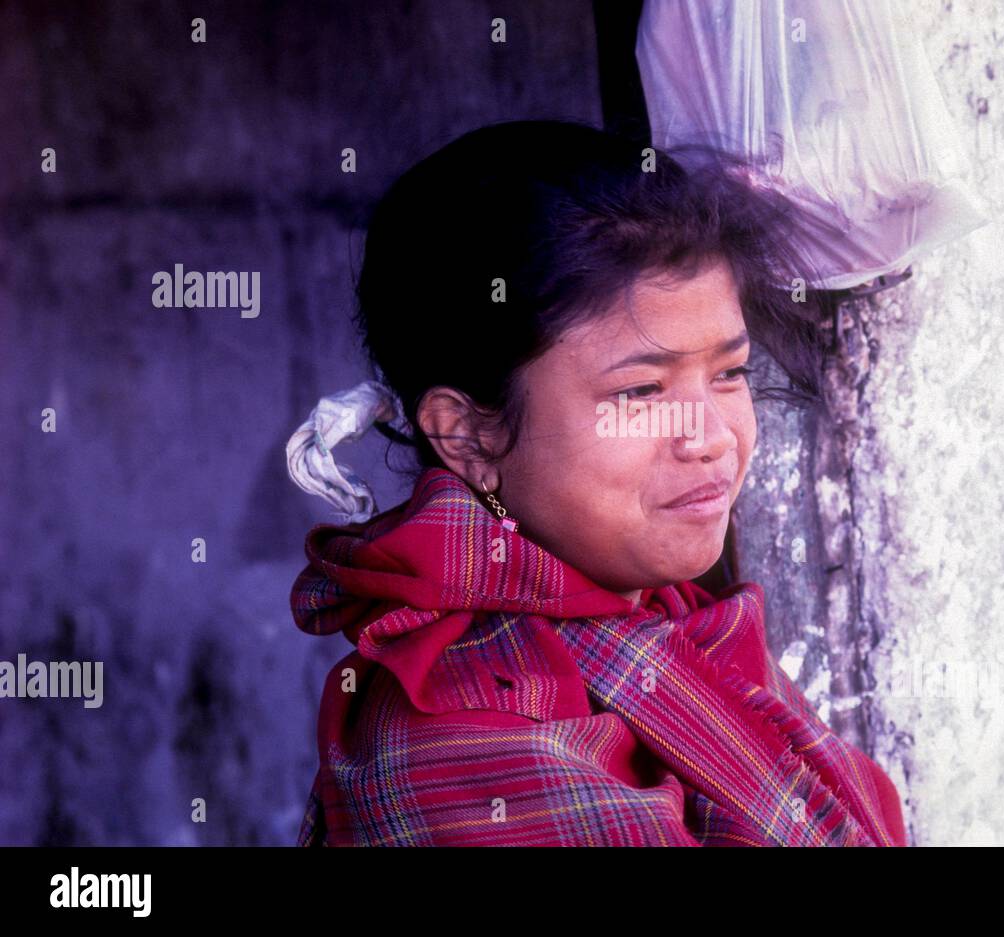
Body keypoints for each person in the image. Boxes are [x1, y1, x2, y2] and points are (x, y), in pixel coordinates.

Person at [288, 119, 907, 846]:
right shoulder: (465, 731)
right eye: (640, 392)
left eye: (730, 373)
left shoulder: (660, 623)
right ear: (469, 433)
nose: (709, 437)